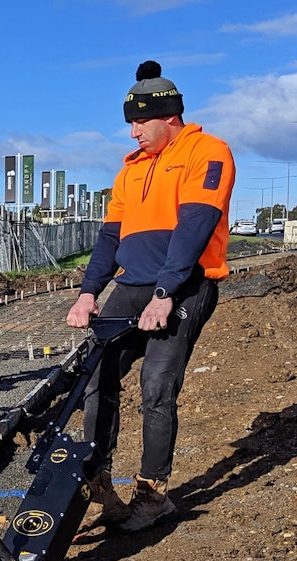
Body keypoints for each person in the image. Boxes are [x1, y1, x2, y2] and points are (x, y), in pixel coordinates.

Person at [66, 60, 236, 532]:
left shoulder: (208, 152)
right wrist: (88, 293)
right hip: (132, 285)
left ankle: (153, 493)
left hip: (185, 285)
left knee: (156, 386)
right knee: (97, 375)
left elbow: (195, 227)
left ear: (170, 116)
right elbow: (109, 238)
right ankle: (98, 486)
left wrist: (165, 293)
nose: (133, 133)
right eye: (131, 124)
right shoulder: (130, 171)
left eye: (141, 122)